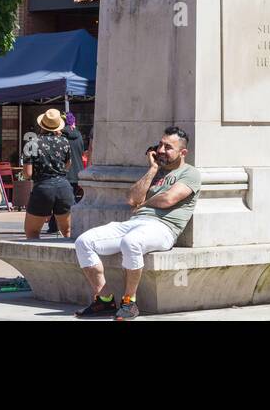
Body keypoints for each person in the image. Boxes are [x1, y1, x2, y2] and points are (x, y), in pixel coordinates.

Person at [73, 126, 201, 321]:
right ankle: (105, 299)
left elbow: (169, 200)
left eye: (168, 147)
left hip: (163, 228)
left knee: (131, 242)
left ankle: (129, 301)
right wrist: (153, 169)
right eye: (160, 145)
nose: (160, 150)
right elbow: (132, 199)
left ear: (183, 152)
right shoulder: (156, 172)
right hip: (136, 222)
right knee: (84, 242)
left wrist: (145, 203)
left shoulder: (190, 173)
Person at [23, 109, 75, 240]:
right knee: (68, 231)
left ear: (41, 125)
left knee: (32, 232)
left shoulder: (31, 143)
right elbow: (68, 165)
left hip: (43, 188)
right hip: (64, 187)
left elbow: (27, 174)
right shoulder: (64, 142)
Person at [47, 113, 86, 234]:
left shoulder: (61, 137)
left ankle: (54, 226)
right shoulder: (79, 135)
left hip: (65, 172)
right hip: (78, 172)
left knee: (57, 200)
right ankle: (72, 224)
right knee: (70, 200)